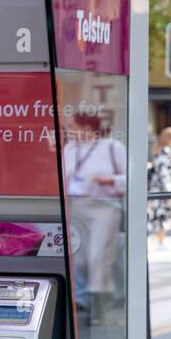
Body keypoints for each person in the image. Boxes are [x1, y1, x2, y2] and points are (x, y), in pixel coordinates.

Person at [62, 113, 126, 322]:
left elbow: (130, 177)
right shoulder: (70, 149)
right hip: (76, 207)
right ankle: (91, 297)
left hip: (104, 207)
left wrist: (110, 180)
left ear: (88, 127)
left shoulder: (111, 147)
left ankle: (98, 307)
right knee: (80, 259)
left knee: (97, 256)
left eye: (73, 126)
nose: (69, 130)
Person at [148, 127, 171, 248]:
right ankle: (160, 241)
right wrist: (170, 193)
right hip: (163, 191)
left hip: (167, 189)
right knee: (162, 216)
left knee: (165, 216)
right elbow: (164, 174)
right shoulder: (164, 153)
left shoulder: (166, 151)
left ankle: (160, 240)